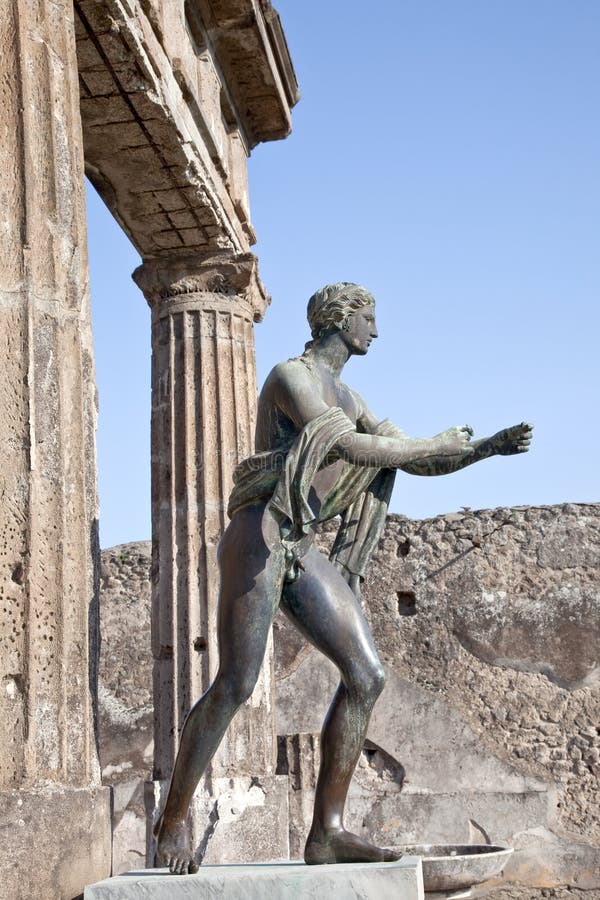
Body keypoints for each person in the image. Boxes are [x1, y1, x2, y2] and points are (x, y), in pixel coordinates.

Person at [155, 282, 533, 874]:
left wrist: (484, 448)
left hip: (300, 544)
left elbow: (410, 454)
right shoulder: (292, 376)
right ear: (339, 319)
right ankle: (173, 818)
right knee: (236, 681)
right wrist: (427, 443)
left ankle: (326, 833)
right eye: (369, 318)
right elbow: (355, 447)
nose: (375, 332)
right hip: (261, 531)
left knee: (366, 674)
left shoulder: (350, 395)